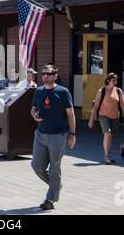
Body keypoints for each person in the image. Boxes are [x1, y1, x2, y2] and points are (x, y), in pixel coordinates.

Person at [30, 65, 76, 211]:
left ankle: (50, 199)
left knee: (55, 168)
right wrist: (34, 115)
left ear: (55, 76)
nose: (45, 76)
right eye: (43, 74)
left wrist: (72, 134)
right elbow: (34, 108)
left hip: (58, 135)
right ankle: (56, 185)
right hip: (40, 134)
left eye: (48, 74)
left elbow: (70, 114)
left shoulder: (63, 92)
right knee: (36, 166)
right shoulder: (38, 91)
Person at [88, 73, 124, 165]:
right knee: (107, 133)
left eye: (116, 81)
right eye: (113, 81)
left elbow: (123, 104)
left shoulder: (118, 91)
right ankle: (106, 156)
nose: (115, 82)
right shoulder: (101, 91)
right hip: (103, 115)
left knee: (110, 136)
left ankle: (109, 155)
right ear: (108, 81)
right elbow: (96, 106)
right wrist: (91, 120)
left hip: (114, 116)